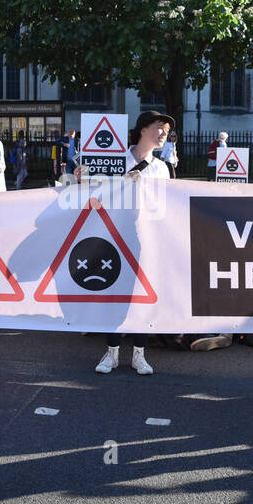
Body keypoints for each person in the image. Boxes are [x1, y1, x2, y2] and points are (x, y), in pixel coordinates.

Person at [86, 110, 174, 376]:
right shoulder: (114, 158)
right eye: (160, 127)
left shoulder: (161, 168)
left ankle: (139, 354)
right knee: (114, 291)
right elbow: (95, 193)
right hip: (114, 236)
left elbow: (164, 206)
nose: (163, 134)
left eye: (167, 131)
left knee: (142, 295)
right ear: (143, 128)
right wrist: (83, 175)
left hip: (146, 239)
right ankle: (111, 353)